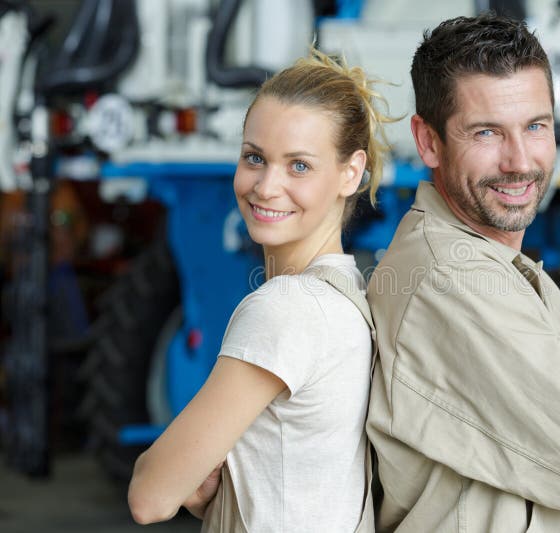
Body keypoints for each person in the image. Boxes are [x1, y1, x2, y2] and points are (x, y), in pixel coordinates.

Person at [365, 13, 560, 532]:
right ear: (428, 141)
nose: (520, 161)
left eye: (536, 126)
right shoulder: (452, 275)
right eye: (487, 132)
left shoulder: (492, 260)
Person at [127, 47, 393, 532]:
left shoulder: (284, 308)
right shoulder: (349, 295)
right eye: (255, 158)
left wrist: (183, 478)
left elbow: (150, 496)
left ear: (351, 173)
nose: (266, 186)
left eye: (299, 166)